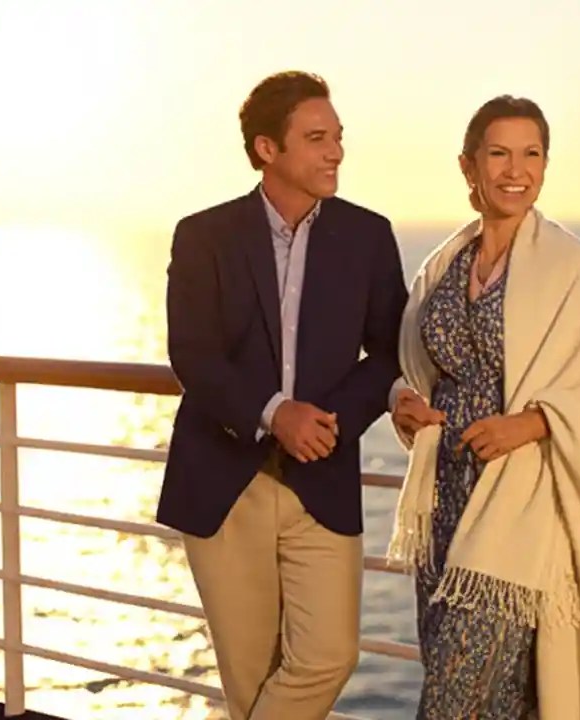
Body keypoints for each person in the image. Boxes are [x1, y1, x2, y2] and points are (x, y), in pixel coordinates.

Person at [156, 70, 408, 720]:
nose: (336, 152)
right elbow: (194, 352)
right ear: (268, 149)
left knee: (329, 654)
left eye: (339, 137)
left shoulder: (368, 236)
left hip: (321, 479)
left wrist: (328, 422)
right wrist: (274, 413)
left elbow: (390, 350)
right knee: (250, 680)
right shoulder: (203, 236)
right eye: (317, 138)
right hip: (224, 483)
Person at [386, 96, 580, 719]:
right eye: (498, 153)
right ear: (468, 165)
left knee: (453, 699)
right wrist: (401, 401)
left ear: (546, 166)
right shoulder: (445, 262)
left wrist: (530, 424)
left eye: (531, 154)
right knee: (492, 699)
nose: (515, 169)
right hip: (445, 498)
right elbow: (412, 363)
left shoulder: (571, 268)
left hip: (519, 503)